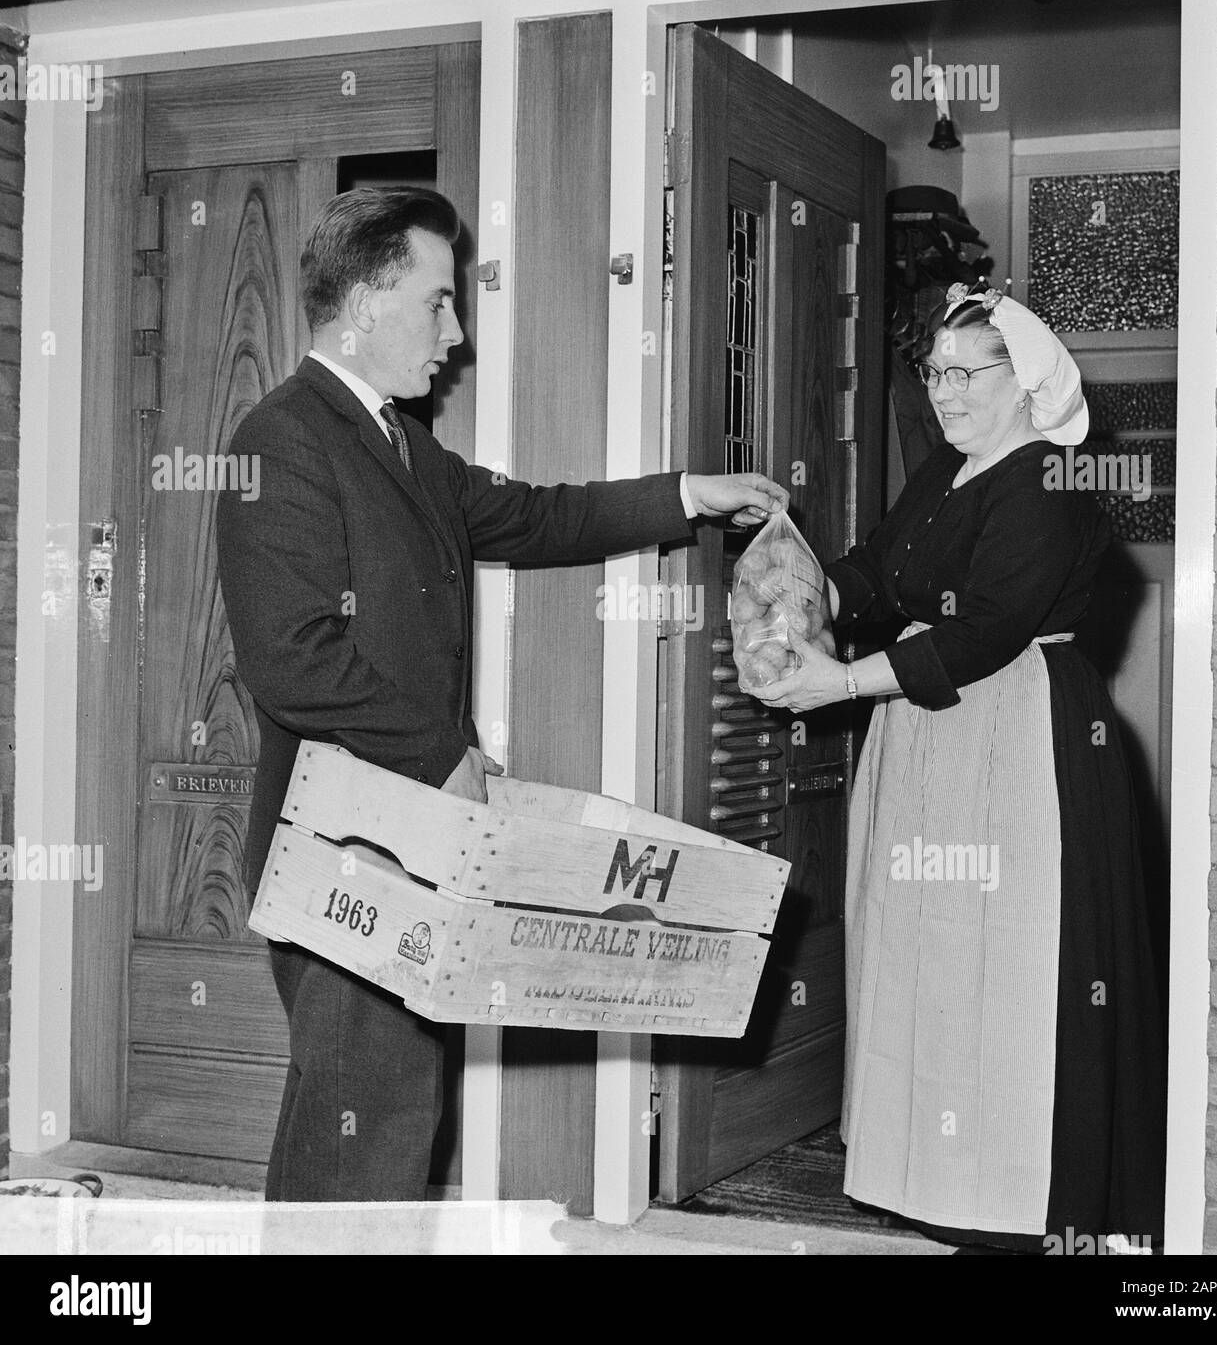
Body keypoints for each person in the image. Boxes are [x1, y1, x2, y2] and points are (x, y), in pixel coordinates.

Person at [216, 185, 787, 1201]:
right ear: (365, 304)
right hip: (346, 843)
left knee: (389, 1109)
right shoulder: (282, 438)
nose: (457, 333)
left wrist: (689, 495)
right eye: (438, 303)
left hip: (410, 836)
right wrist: (445, 756)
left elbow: (534, 519)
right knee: (367, 1108)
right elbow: (293, 658)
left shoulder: (405, 446)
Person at [746, 282, 1166, 1252]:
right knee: (928, 950)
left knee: (1008, 960)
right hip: (925, 730)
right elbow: (875, 568)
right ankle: (932, 1173)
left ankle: (1021, 1198)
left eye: (963, 373)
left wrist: (841, 684)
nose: (942, 391)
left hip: (1019, 741)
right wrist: (799, 588)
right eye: (933, 372)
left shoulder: (1046, 482)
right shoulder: (945, 470)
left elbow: (987, 631)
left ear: (1023, 383)